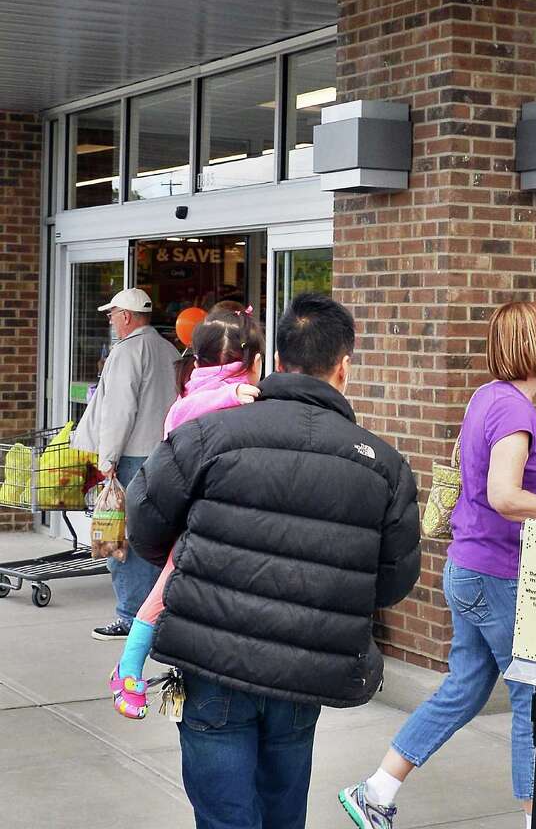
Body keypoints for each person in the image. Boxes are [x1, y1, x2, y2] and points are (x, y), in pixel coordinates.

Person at [126, 293, 421, 829]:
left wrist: (193, 560)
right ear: (344, 367)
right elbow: (393, 579)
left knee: (224, 817)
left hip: (212, 658)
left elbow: (144, 519)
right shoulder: (383, 465)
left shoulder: (206, 435)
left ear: (274, 361)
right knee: (284, 812)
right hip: (302, 667)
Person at [339, 300, 536, 829]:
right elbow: (503, 495)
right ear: (534, 347)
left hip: (469, 568)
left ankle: (375, 792)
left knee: (465, 687)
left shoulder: (487, 398)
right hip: (494, 573)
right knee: (532, 692)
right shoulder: (517, 410)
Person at [109, 304, 264, 719]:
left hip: (210, 523)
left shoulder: (214, 392)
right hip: (200, 525)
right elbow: (183, 414)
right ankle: (127, 670)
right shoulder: (203, 397)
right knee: (160, 598)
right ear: (256, 362)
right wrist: (231, 394)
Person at [72, 287, 179, 641]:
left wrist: (108, 459)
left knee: (123, 541)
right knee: (156, 539)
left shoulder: (127, 352)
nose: (111, 320)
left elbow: (119, 411)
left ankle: (130, 615)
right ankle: (155, 613)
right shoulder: (168, 350)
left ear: (128, 317)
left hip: (132, 458)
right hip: (165, 455)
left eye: (113, 314)